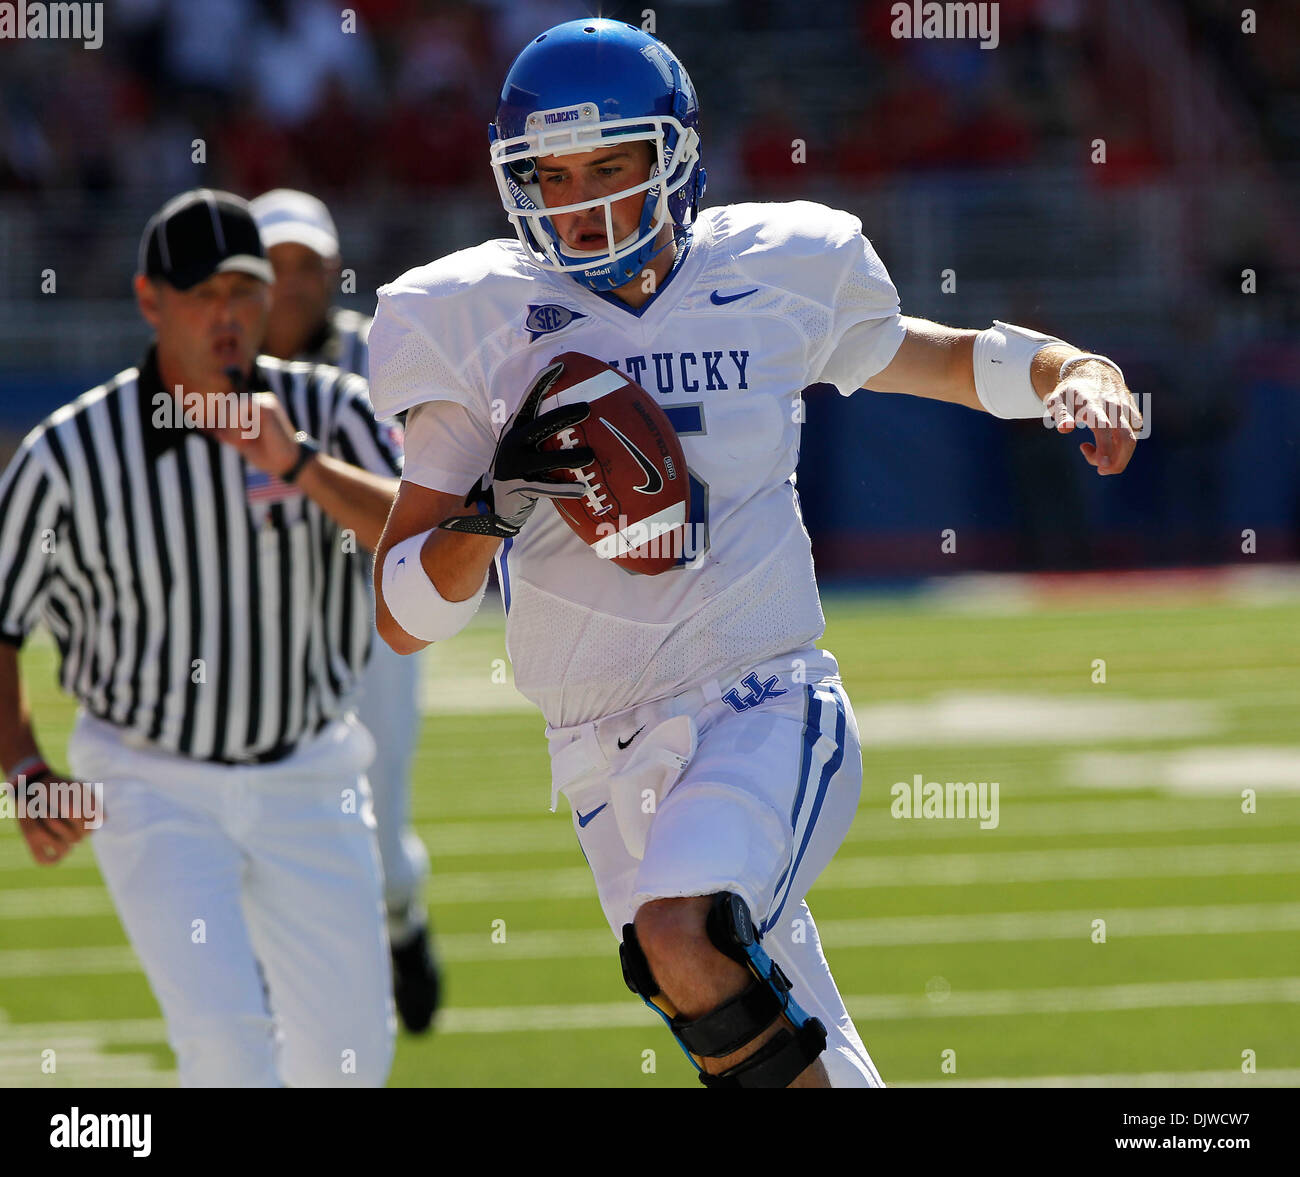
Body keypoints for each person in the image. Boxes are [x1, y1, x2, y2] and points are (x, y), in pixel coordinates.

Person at [367, 20, 1142, 1088]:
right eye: (550, 172)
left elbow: (941, 357)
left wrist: (1069, 369)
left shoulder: (779, 266)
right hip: (597, 755)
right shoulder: (469, 318)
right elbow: (405, 610)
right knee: (753, 1007)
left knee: (685, 936)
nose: (580, 199)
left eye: (609, 165)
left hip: (763, 701)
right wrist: (498, 497)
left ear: (672, 159)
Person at [0, 189, 403, 1087]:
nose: (229, 314)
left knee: (351, 1059)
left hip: (311, 769)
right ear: (151, 300)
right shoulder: (70, 453)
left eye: (247, 290)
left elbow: (427, 542)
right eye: (204, 293)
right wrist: (24, 766)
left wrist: (296, 465)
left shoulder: (329, 412)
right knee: (225, 1047)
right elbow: (1, 617)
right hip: (150, 779)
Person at [250, 188, 440, 1033]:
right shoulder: (214, 358)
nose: (291, 286)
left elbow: (406, 505)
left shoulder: (372, 356)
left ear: (331, 270)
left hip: (365, 615)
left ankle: (401, 916)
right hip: (254, 620)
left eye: (306, 266)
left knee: (376, 805)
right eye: (274, 266)